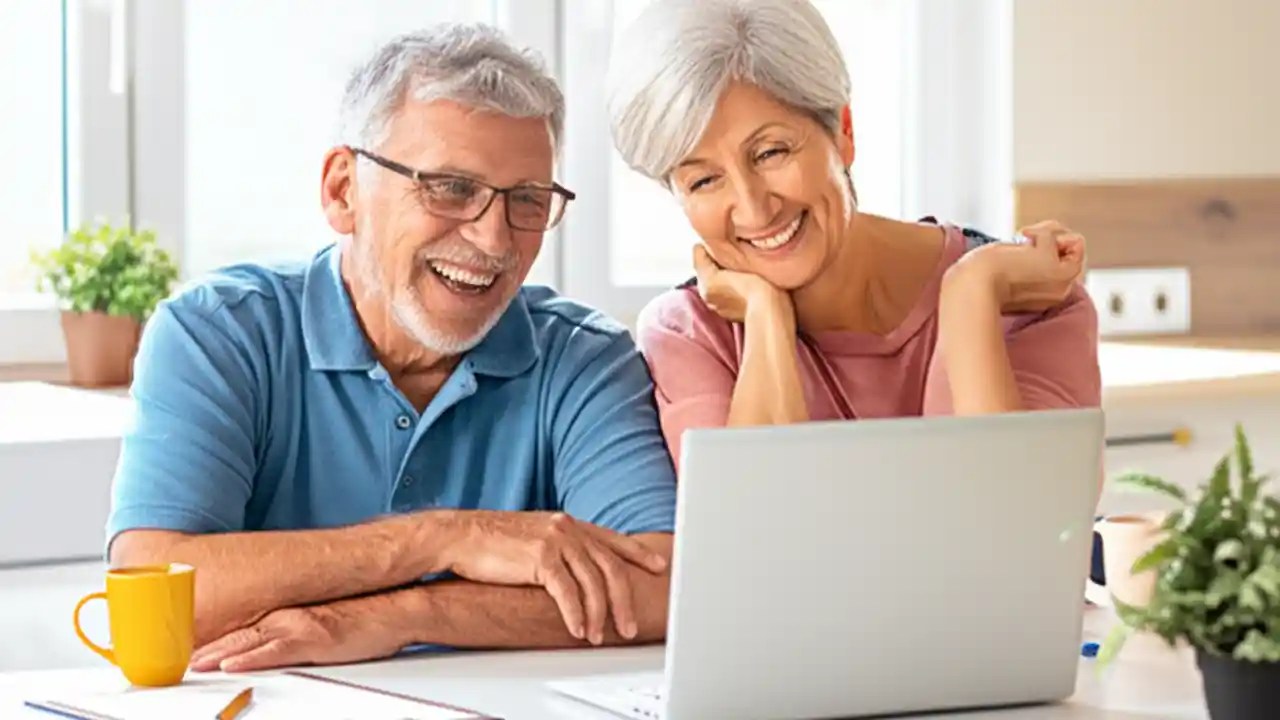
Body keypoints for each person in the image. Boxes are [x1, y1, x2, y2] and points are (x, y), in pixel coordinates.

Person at [106, 24, 677, 673]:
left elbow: (662, 589)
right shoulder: (217, 334)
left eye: (526, 199)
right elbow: (154, 588)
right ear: (343, 190)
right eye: (451, 187)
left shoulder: (584, 358)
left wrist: (399, 617)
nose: (494, 240)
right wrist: (444, 539)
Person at [606, 0, 1101, 464]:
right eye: (705, 180)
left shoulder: (1030, 293)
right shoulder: (688, 335)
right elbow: (753, 540)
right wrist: (767, 320)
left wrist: (970, 296)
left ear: (844, 131)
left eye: (771, 152)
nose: (755, 211)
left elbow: (1010, 530)